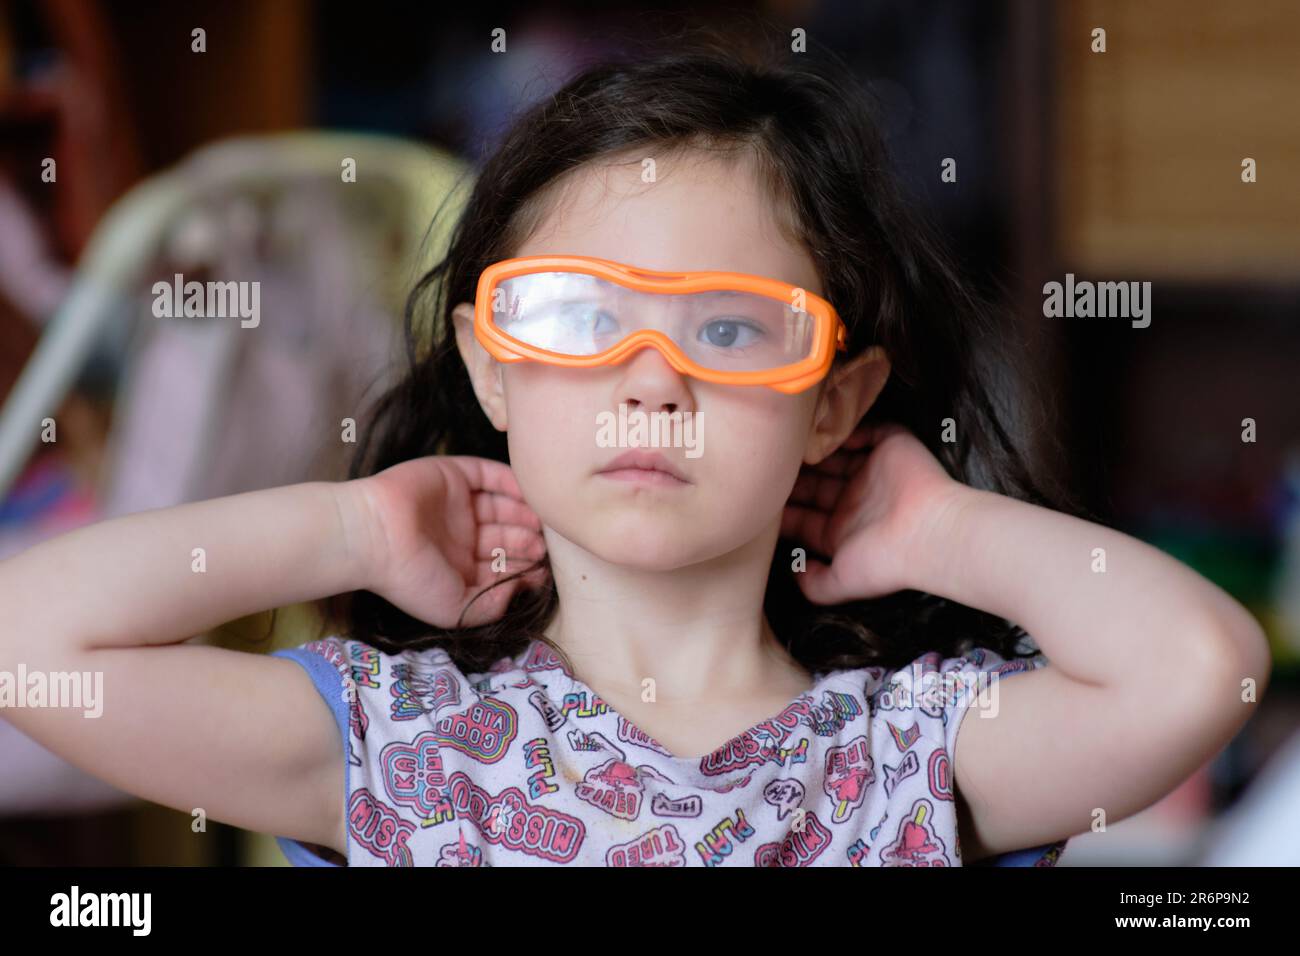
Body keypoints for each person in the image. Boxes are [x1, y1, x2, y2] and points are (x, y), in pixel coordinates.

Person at [0, 36, 1271, 867]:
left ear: (833, 403)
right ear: (492, 364)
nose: (653, 380)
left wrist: (942, 531)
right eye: (580, 317)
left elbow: (1203, 667)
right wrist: (347, 529)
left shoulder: (908, 751)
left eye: (728, 327)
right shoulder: (396, 744)